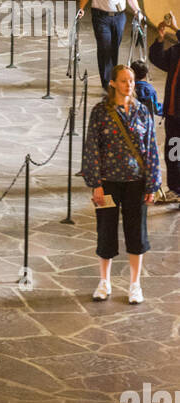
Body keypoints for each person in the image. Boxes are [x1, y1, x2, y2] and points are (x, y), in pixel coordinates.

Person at [80, 65, 160, 303]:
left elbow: (151, 148)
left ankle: (135, 285)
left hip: (136, 183)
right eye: (124, 81)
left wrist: (152, 184)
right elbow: (92, 148)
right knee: (105, 230)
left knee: (137, 233)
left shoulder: (142, 112)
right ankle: (104, 281)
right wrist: (95, 183)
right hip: (108, 183)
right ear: (113, 83)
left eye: (132, 81)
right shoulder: (100, 112)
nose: (129, 85)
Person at [77, 0, 144, 90]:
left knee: (114, 47)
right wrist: (81, 9)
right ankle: (106, 81)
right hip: (101, 16)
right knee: (104, 46)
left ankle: (114, 78)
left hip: (119, 17)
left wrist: (137, 11)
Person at [149, 12, 180, 203]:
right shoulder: (176, 51)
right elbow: (158, 59)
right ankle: (176, 190)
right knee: (174, 153)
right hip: (173, 114)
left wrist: (175, 28)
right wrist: (160, 38)